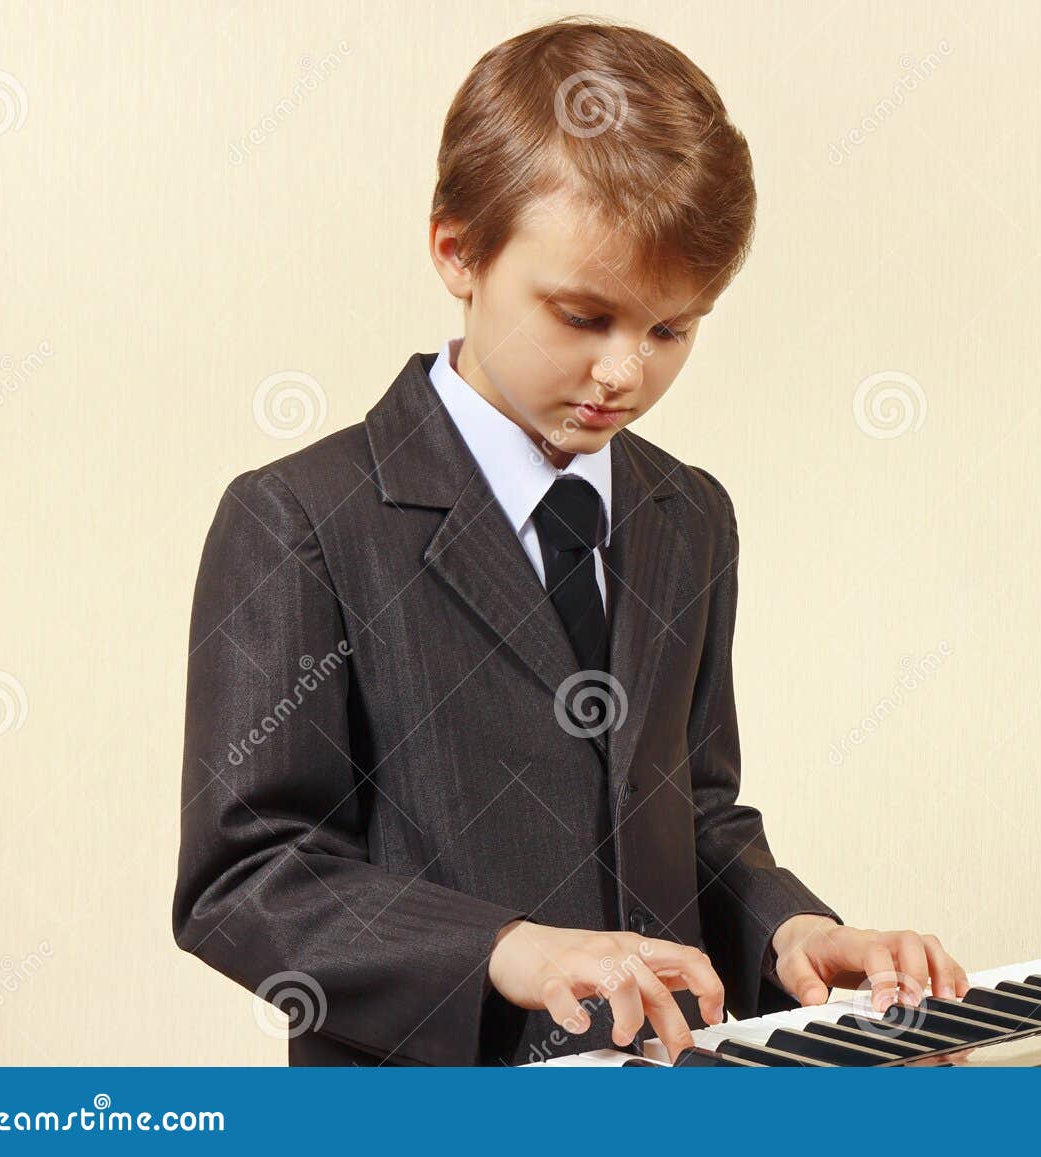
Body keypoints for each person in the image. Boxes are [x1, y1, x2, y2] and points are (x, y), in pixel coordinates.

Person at [173, 15, 966, 1067]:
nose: (623, 374)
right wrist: (504, 950)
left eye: (670, 328)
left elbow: (696, 816)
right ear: (457, 251)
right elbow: (246, 878)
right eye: (583, 315)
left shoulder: (689, 514)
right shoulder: (301, 518)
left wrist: (795, 930)